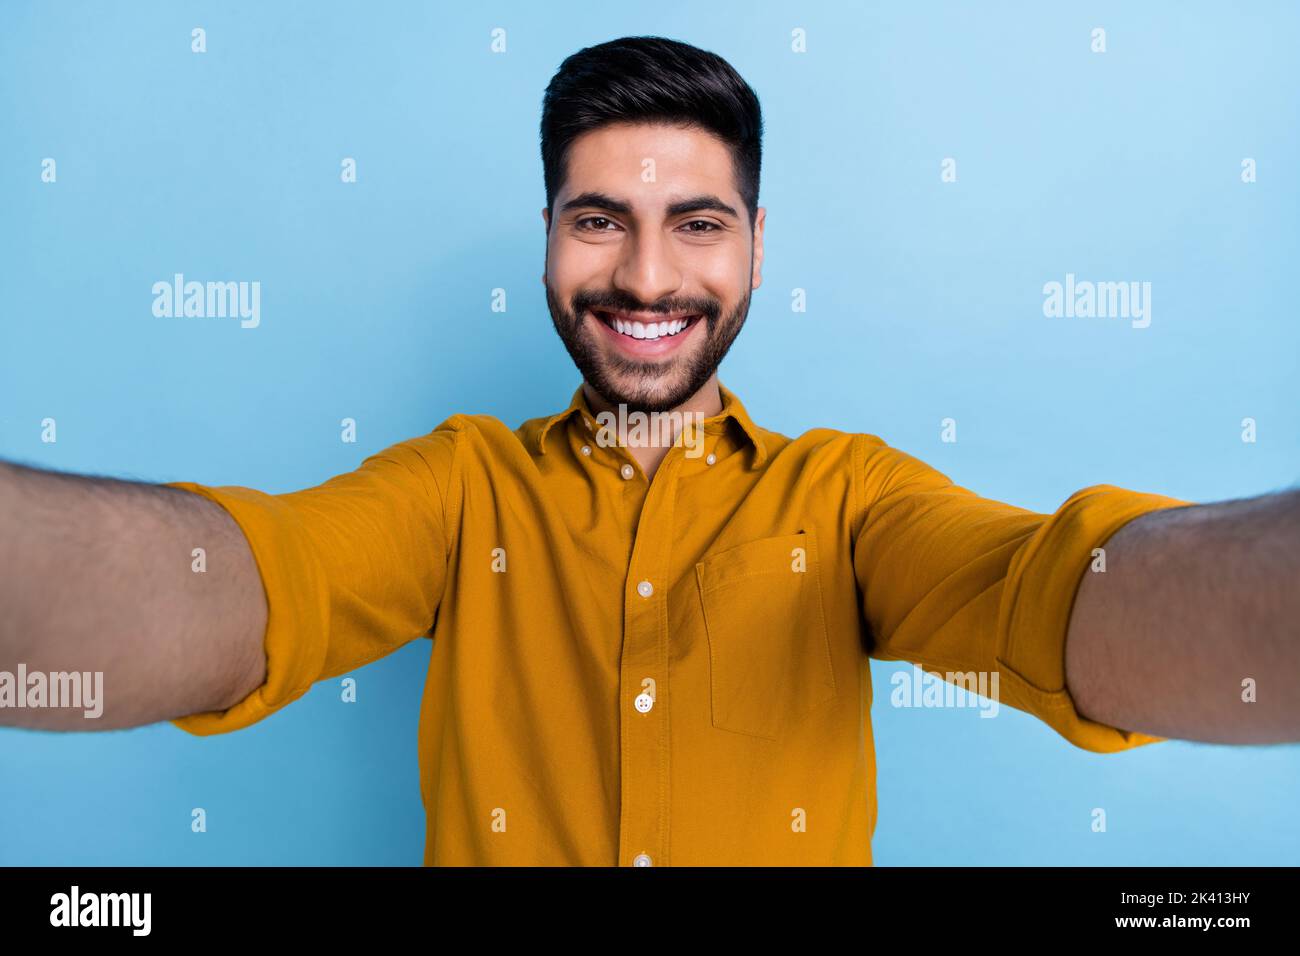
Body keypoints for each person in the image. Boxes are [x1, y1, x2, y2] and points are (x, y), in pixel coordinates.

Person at [2, 36, 1297, 866]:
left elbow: (1063, 598)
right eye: (599, 219)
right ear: (551, 232)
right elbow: (244, 582)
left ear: (756, 241)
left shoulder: (847, 499)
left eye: (697, 222)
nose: (646, 274)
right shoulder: (461, 488)